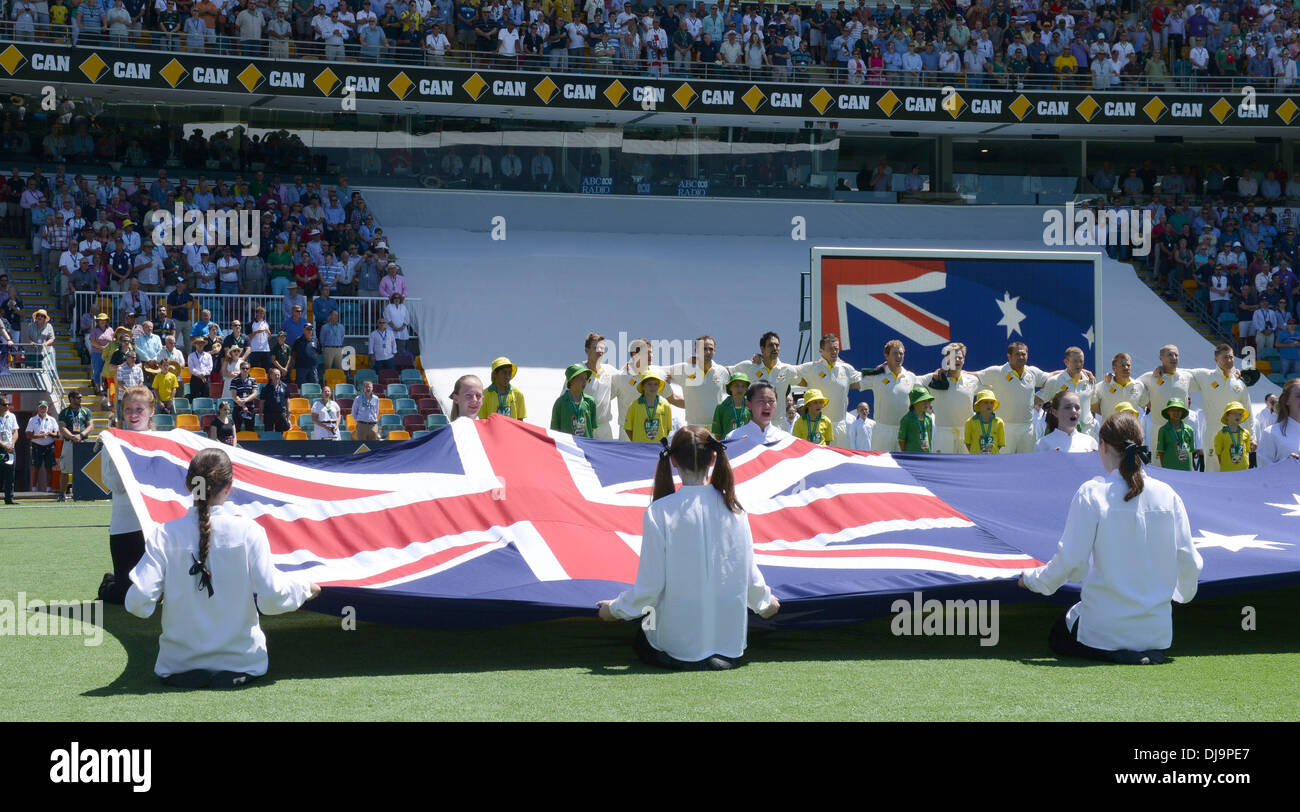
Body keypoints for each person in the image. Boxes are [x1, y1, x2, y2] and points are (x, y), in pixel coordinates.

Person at [125, 448, 320, 688]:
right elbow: (272, 597)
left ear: (188, 486)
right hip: (241, 665)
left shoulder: (164, 535)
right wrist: (303, 587)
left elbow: (138, 601)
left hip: (178, 667)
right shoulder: (249, 532)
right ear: (229, 487)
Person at [1019, 413, 1203, 665]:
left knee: (1058, 635)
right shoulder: (1168, 495)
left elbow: (1072, 562)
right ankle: (1139, 650)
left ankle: (1112, 651)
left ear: (1102, 446)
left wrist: (1031, 580)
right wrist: (1182, 595)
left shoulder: (1091, 493)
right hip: (1156, 632)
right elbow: (1189, 560)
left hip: (1104, 630)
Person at [596, 426, 779, 670]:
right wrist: (765, 604)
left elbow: (650, 590)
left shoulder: (659, 512)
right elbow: (749, 575)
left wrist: (613, 610)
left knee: (647, 625)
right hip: (731, 649)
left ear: (673, 460)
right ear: (713, 457)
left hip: (675, 650)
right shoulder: (736, 511)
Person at [98, 385, 156, 605]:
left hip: (154, 527)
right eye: (129, 409)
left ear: (151, 411)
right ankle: (110, 583)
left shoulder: (162, 442)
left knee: (155, 594)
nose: (133, 414)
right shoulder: (113, 441)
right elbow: (113, 483)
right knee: (127, 595)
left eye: (139, 409)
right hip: (124, 525)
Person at [973, 342, 1052, 453]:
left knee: (1027, 464)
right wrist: (943, 372)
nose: (1021, 357)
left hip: (1027, 428)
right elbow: (972, 375)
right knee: (1003, 465)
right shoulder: (997, 371)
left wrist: (1076, 371)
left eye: (1023, 354)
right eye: (1017, 354)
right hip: (1004, 428)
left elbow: (1052, 378)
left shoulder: (1033, 372)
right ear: (1009, 356)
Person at [797, 333, 864, 448]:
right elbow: (787, 371)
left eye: (836, 349)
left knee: (842, 463)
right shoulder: (811, 368)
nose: (834, 352)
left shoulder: (846, 369)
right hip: (818, 426)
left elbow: (866, 379)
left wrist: (881, 371)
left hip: (840, 427)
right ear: (821, 351)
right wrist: (760, 363)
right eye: (830, 349)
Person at [729, 331, 799, 431]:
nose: (775, 348)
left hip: (779, 427)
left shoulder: (787, 369)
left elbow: (805, 379)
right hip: (755, 426)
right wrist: (700, 360)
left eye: (777, 345)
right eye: (771, 345)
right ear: (762, 348)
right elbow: (725, 371)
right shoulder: (750, 367)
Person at [858, 338, 917, 452]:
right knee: (880, 467)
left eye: (901, 353)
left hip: (904, 432)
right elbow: (852, 380)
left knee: (903, 467)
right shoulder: (877, 376)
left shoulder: (911, 377)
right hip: (882, 432)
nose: (899, 356)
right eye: (895, 353)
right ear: (886, 355)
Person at [924, 341, 981, 453]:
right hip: (943, 435)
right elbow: (912, 381)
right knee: (941, 469)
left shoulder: (972, 380)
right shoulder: (935, 379)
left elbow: (996, 384)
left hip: (966, 435)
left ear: (964, 360)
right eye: (954, 357)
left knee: (966, 469)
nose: (958, 360)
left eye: (960, 357)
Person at [667, 335, 730, 429]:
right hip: (693, 428)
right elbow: (661, 373)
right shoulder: (684, 369)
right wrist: (670, 396)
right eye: (704, 349)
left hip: (717, 428)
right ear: (696, 350)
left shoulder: (722, 371)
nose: (708, 352)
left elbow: (736, 392)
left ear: (715, 351)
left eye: (711, 349)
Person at [1041, 346, 1099, 437]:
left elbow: (1094, 405)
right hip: (1063, 433)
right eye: (1075, 361)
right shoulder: (1054, 381)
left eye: (1081, 361)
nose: (1079, 364)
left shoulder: (1090, 381)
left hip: (1087, 432)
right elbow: (1043, 403)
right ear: (1066, 362)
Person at [579, 332, 619, 440]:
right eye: (596, 348)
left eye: (602, 348)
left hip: (604, 429)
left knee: (607, 457)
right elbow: (565, 399)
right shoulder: (578, 372)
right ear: (587, 350)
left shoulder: (609, 370)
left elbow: (627, 378)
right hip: (583, 426)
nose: (600, 351)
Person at [57, 390, 92, 501]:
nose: (80, 399)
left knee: (85, 469)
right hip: (69, 443)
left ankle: (83, 493)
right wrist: (73, 437)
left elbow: (90, 426)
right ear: (71, 399)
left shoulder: (86, 411)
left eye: (81, 397)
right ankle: (62, 494)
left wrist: (81, 435)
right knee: (65, 470)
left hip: (83, 443)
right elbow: (62, 427)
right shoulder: (65, 412)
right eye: (78, 397)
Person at [1256, 378, 1300, 466]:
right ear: (1287, 400)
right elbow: (1262, 472)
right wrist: (1284, 465)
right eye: (1299, 396)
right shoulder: (1271, 433)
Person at [624, 368, 674, 443]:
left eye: (655, 384)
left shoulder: (665, 405)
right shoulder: (634, 405)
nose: (652, 387)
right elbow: (628, 429)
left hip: (658, 448)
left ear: (659, 386)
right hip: (640, 448)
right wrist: (636, 442)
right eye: (649, 384)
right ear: (643, 387)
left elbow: (668, 429)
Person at [551, 364, 598, 438]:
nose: (584, 382)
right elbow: (554, 430)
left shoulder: (590, 401)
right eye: (581, 378)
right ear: (572, 380)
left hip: (585, 446)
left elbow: (592, 429)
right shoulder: (560, 402)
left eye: (586, 378)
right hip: (568, 446)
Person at [25, 401, 58, 493]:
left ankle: (49, 489)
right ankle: (34, 489)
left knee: (49, 468)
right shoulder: (32, 420)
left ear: (47, 408)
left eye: (44, 407)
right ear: (38, 408)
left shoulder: (52, 419)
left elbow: (57, 434)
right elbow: (28, 434)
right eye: (41, 407)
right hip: (36, 446)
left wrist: (49, 433)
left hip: (49, 446)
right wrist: (39, 436)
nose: (43, 409)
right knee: (35, 468)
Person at [1155, 398, 1196, 471]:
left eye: (1179, 410)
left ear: (1182, 412)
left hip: (1186, 469)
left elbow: (1191, 451)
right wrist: (1165, 468)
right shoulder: (1163, 430)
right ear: (1168, 412)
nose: (1176, 413)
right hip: (1170, 468)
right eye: (1173, 410)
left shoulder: (1189, 430)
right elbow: (1161, 451)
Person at [1214, 402, 1253, 472]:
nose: (1238, 416)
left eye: (1240, 414)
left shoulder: (1246, 433)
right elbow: (1218, 453)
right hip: (1227, 470)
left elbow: (1247, 451)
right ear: (1227, 416)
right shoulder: (1221, 434)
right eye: (1235, 413)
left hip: (1244, 469)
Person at [711, 373, 752, 439]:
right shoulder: (721, 406)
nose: (740, 389)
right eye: (736, 385)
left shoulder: (751, 406)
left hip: (746, 445)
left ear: (746, 389)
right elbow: (717, 434)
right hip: (727, 446)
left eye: (743, 386)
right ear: (730, 387)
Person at [964, 389, 1006, 454]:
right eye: (986, 402)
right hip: (976, 458)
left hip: (993, 459)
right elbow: (967, 443)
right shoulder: (970, 422)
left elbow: (1000, 444)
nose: (989, 405)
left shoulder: (999, 422)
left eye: (991, 402)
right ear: (978, 404)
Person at [898, 386, 935, 452]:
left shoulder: (928, 418)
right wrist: (905, 455)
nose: (927, 404)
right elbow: (901, 440)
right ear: (914, 403)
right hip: (912, 457)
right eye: (923, 401)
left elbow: (929, 438)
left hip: (926, 457)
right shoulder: (907, 419)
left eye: (928, 401)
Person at [259, 367, 291, 433]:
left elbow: (287, 399)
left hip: (281, 413)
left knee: (279, 434)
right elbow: (262, 402)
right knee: (268, 433)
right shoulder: (265, 387)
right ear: (270, 376)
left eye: (278, 375)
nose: (277, 376)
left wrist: (288, 411)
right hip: (268, 414)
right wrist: (261, 414)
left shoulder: (284, 386)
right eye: (275, 375)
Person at [0, 394, 17, 504]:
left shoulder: (12, 416)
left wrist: (12, 444)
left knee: (10, 474)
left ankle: (9, 498)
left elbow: (15, 432)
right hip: (1, 448)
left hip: (10, 449)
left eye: (8, 404)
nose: (7, 406)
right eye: (4, 404)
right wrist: (3, 445)